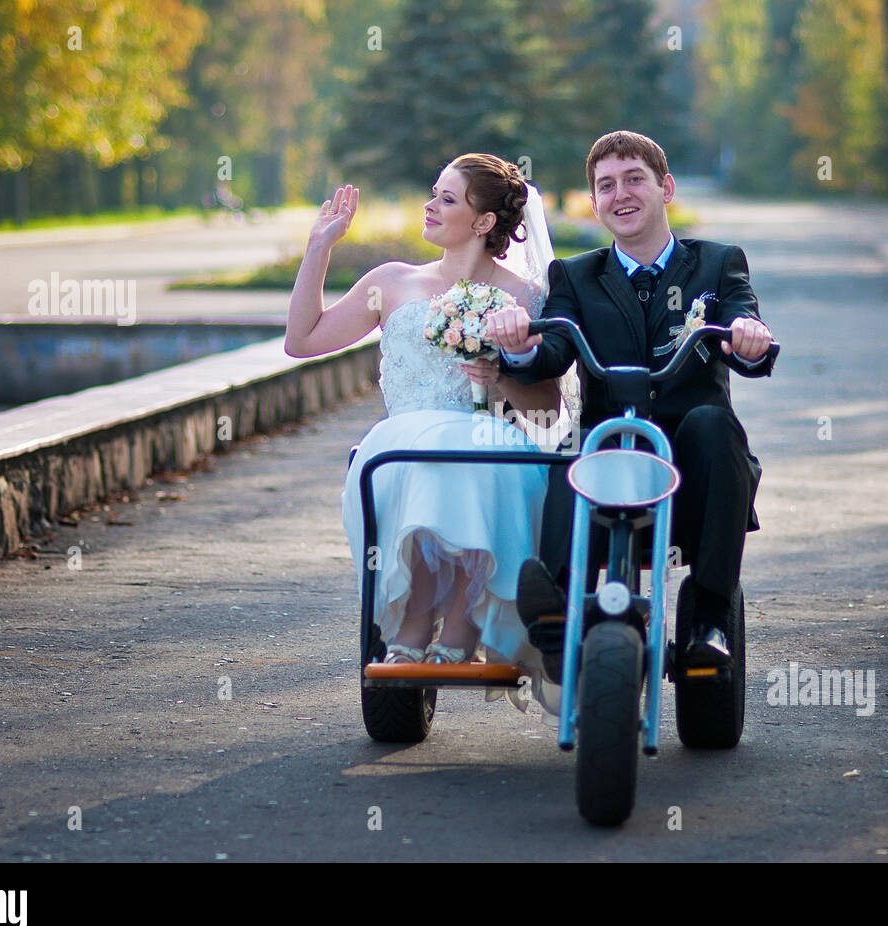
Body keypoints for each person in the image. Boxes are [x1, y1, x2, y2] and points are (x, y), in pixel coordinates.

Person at [485, 130, 776, 685]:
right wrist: (519, 345)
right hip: (608, 452)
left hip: (692, 469)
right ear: (593, 203)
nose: (621, 194)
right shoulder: (575, 275)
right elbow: (553, 351)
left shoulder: (716, 263)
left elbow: (744, 320)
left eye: (634, 179)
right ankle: (557, 606)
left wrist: (747, 334)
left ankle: (709, 619)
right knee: (576, 447)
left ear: (665, 187)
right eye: (606, 185)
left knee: (714, 421)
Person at [285, 154, 562, 681]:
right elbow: (301, 341)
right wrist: (319, 248)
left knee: (469, 452)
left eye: (447, 199)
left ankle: (460, 621)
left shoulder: (526, 297)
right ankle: (414, 620)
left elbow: (549, 415)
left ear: (483, 223)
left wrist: (499, 374)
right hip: (402, 444)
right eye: (433, 193)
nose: (430, 206)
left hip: (490, 443)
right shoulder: (390, 282)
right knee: (422, 449)